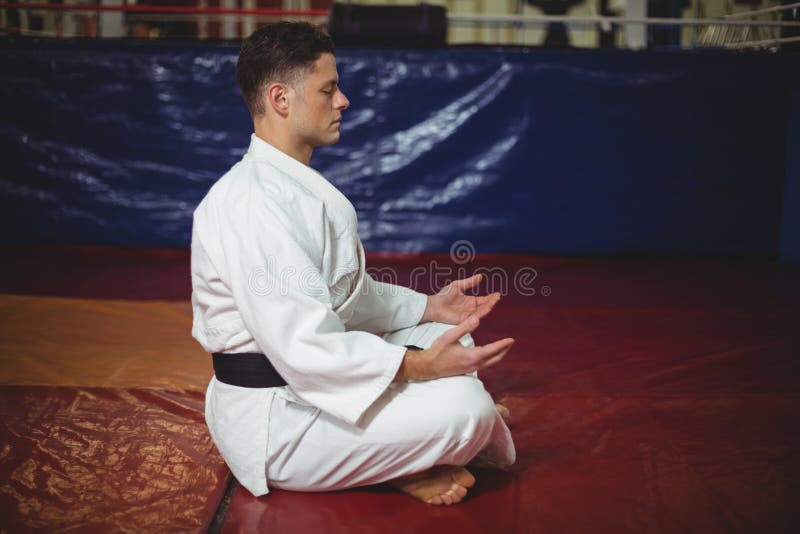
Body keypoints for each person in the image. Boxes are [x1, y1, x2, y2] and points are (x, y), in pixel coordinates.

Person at [191, 22, 516, 506]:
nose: (342, 101)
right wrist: (423, 368)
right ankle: (406, 461)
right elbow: (305, 346)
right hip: (277, 423)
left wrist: (429, 308)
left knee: (453, 338)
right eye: (329, 89)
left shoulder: (289, 186)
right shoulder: (253, 203)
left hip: (310, 389)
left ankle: (410, 449)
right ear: (282, 99)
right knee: (466, 408)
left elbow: (347, 296)